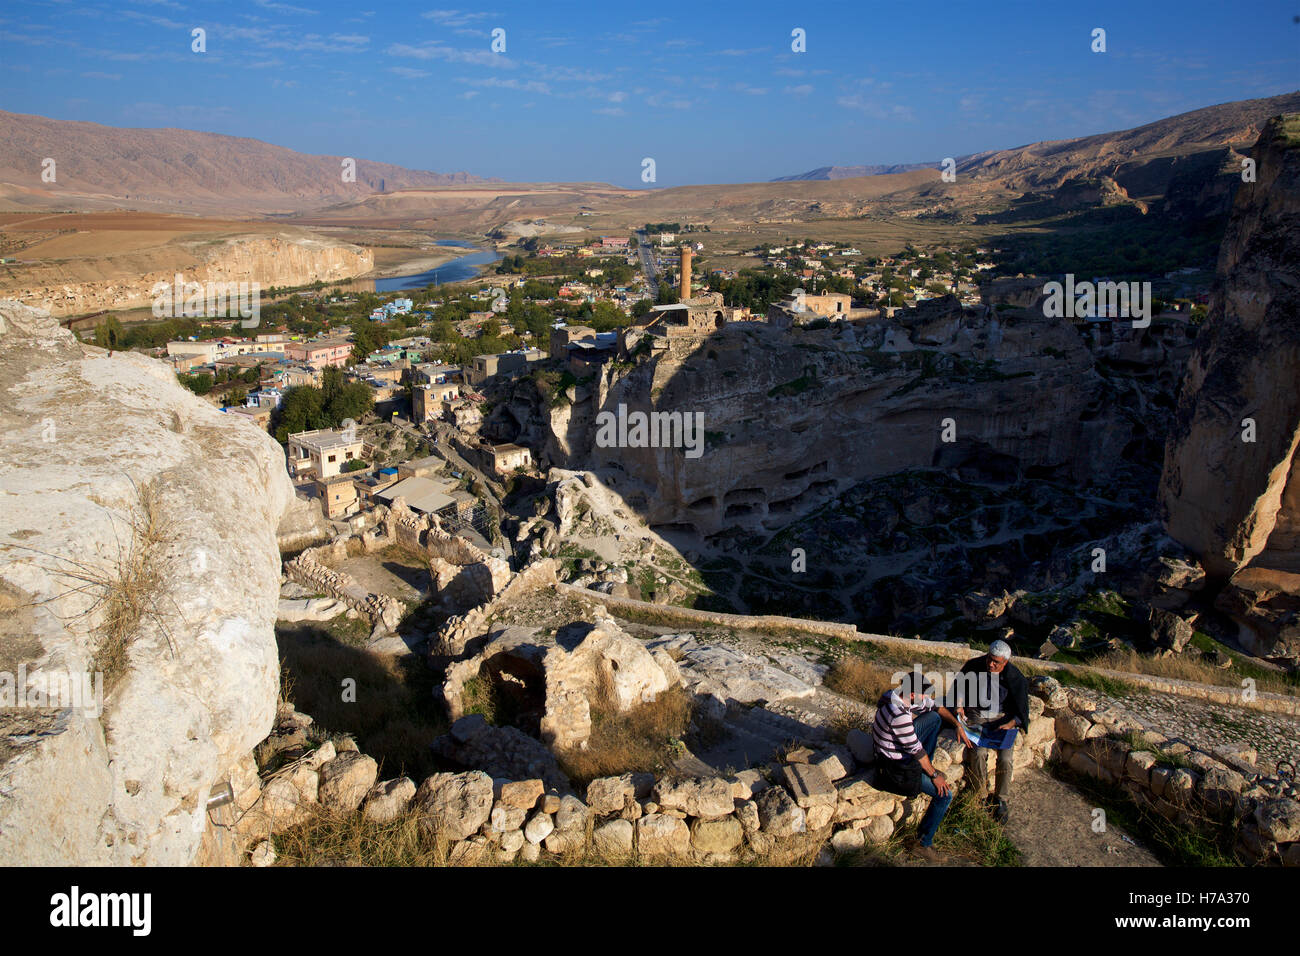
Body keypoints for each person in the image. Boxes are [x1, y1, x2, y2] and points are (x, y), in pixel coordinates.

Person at [871, 670, 969, 861]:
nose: (926, 698)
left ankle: (926, 770)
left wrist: (957, 724)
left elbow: (935, 707)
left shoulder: (896, 696)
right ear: (913, 694)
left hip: (899, 750)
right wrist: (934, 775)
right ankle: (923, 843)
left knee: (934, 718)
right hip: (896, 767)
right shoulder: (898, 714)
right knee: (944, 795)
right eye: (923, 695)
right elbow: (917, 751)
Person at [953, 640, 1030, 824]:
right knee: (978, 752)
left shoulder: (1015, 677)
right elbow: (959, 688)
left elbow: (1021, 710)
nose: (991, 664)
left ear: (1005, 663)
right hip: (978, 715)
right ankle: (980, 795)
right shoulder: (974, 666)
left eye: (996, 662)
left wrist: (1011, 723)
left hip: (1002, 719)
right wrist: (959, 705)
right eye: (989, 659)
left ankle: (1001, 799)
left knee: (1005, 758)